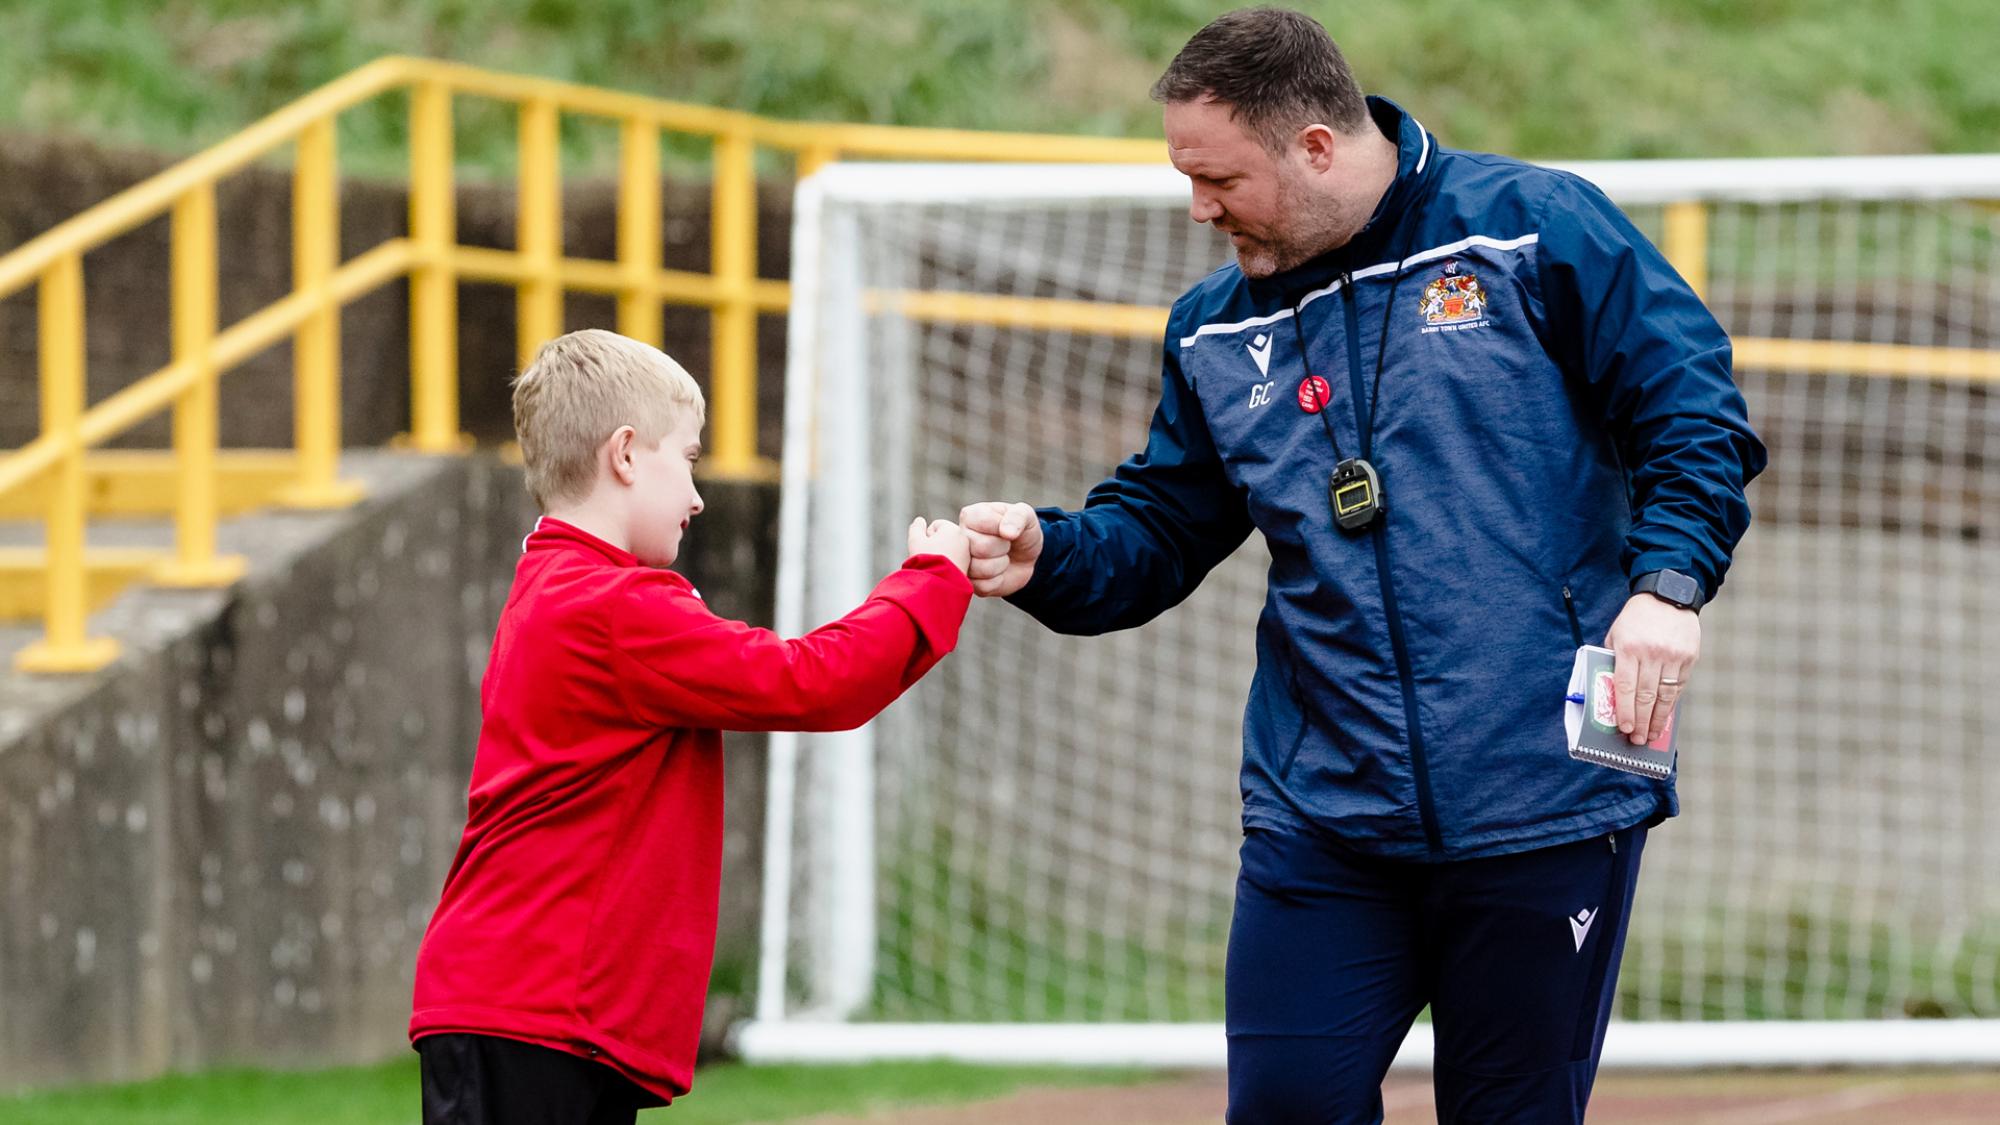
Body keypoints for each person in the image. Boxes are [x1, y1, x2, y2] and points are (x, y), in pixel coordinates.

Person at [959, 9, 1767, 1122]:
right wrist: (1048, 551)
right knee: (1285, 1110)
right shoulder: (1208, 330)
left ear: (1315, 147)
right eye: (1185, 177)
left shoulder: (1532, 230)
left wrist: (1664, 587)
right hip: (1320, 815)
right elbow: (1156, 531)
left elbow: (1691, 413)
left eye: (1217, 178)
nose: (1197, 208)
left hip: (1543, 798)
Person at [410, 329, 973, 1124]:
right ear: (628, 454)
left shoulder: (557, 582)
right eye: (691, 458)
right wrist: (932, 579)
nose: (699, 495)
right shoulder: (615, 605)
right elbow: (812, 682)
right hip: (533, 1015)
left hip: (530, 1012)